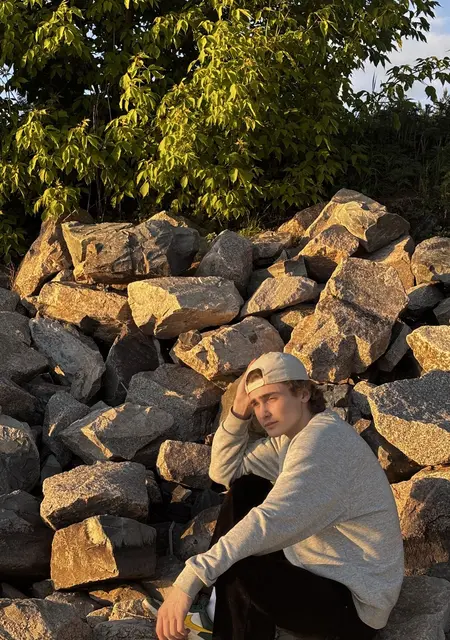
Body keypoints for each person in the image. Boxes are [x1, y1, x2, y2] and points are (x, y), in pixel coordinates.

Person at [156, 352, 404, 640]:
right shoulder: (290, 439)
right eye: (256, 403)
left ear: (303, 393)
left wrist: (190, 580)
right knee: (246, 489)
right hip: (316, 568)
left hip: (355, 603)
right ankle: (222, 615)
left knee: (241, 561)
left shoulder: (323, 443)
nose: (263, 413)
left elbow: (271, 520)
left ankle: (226, 626)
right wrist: (239, 409)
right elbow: (224, 472)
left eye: (271, 398)